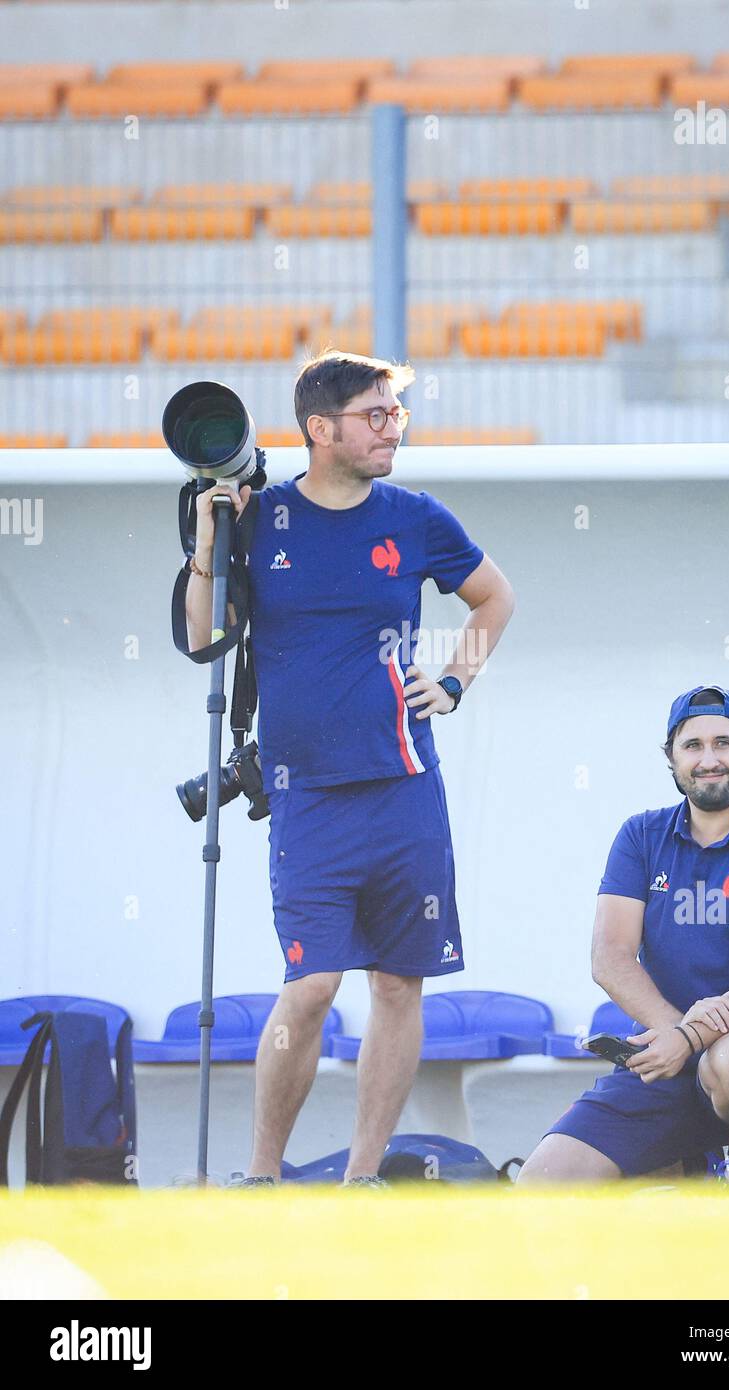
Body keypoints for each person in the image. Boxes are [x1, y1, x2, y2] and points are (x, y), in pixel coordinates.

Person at [185, 350, 514, 1186]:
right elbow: (201, 641)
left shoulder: (414, 515)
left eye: (395, 414)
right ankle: (263, 1176)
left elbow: (494, 596)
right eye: (375, 415)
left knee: (400, 987)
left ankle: (361, 1180)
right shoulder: (262, 518)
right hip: (306, 798)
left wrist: (453, 678)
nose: (392, 429)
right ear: (319, 429)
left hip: (405, 788)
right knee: (312, 988)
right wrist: (205, 548)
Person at [517, 686, 729, 1189]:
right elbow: (610, 958)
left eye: (724, 743)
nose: (709, 759)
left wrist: (692, 1038)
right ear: (671, 758)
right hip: (669, 1052)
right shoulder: (641, 836)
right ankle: (694, 1165)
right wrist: (675, 1033)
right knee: (542, 1185)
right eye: (693, 745)